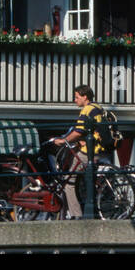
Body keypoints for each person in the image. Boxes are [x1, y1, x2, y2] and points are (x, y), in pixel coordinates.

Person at [51, 84, 107, 219]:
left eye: (76, 97)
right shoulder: (98, 108)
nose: (75, 100)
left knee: (68, 181)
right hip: (100, 149)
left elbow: (78, 131)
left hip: (88, 151)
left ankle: (77, 215)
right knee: (85, 180)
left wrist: (63, 141)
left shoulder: (87, 110)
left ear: (85, 97)